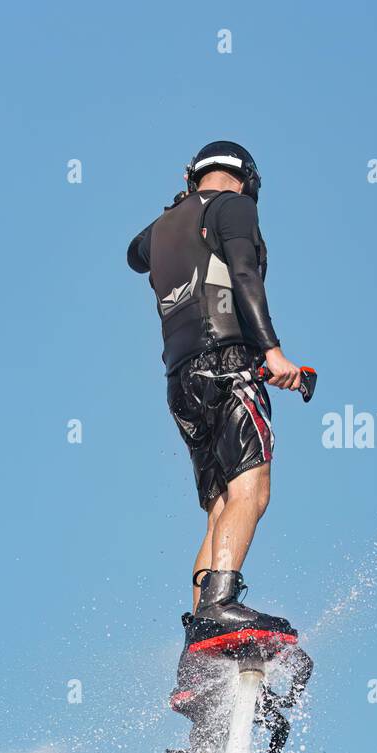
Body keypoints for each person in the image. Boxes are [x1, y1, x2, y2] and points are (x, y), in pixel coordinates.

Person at [127, 141, 303, 716]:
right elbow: (246, 276)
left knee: (221, 505)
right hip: (229, 367)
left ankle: (194, 659)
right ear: (246, 180)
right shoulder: (233, 207)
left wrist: (180, 205)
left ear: (190, 175)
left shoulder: (163, 227)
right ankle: (220, 606)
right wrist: (274, 354)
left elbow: (134, 253)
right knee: (253, 489)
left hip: (181, 383)